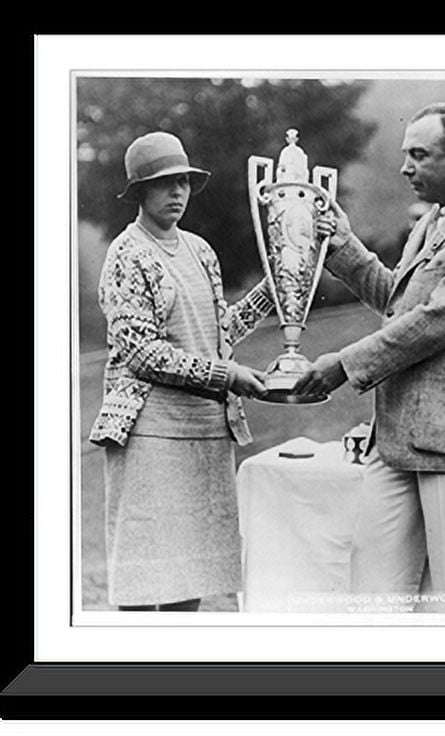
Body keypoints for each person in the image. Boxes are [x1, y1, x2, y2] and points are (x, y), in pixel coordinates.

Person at [291, 102, 445, 613]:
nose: (406, 167)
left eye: (419, 155)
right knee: (372, 592)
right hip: (398, 438)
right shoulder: (433, 223)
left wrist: (342, 365)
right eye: (406, 155)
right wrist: (342, 244)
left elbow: (433, 324)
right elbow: (401, 305)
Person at [89, 131, 278, 612]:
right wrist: (225, 375)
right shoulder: (126, 255)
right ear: (139, 192)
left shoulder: (200, 250)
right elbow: (142, 353)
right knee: (146, 578)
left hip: (205, 430)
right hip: (149, 433)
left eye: (184, 183)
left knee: (189, 576)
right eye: (164, 184)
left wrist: (274, 290)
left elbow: (217, 333)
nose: (177, 193)